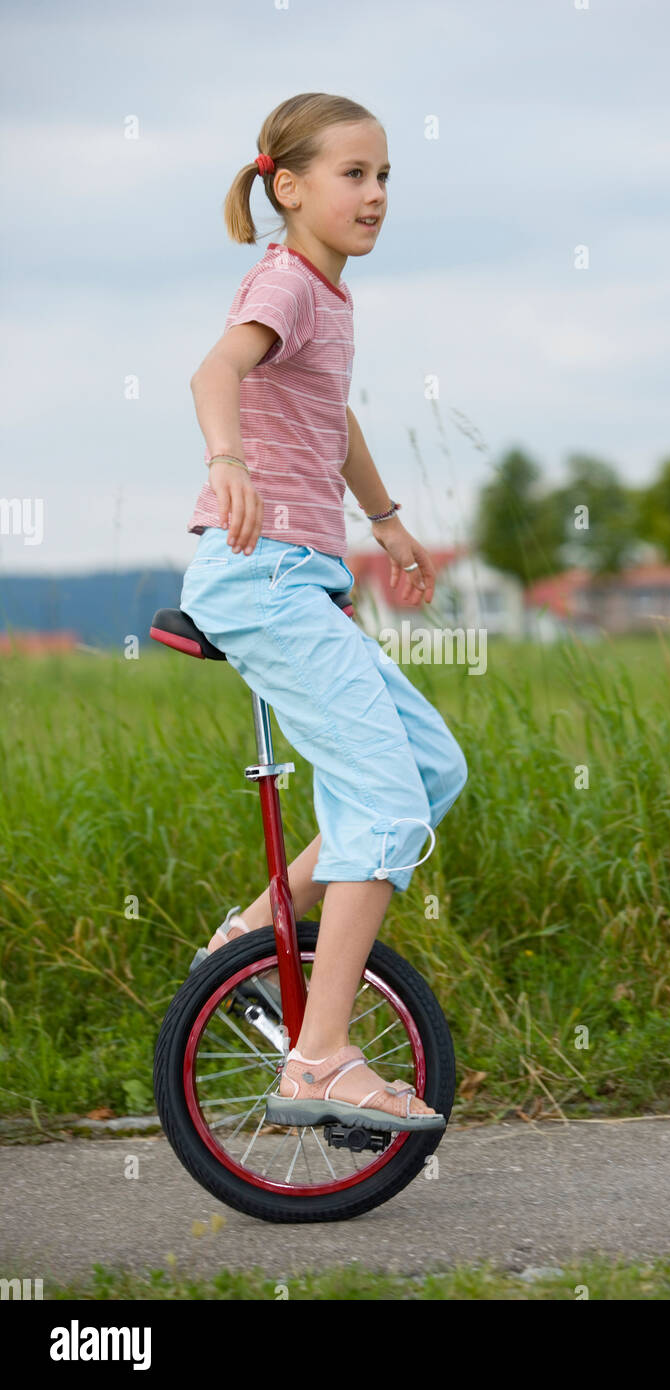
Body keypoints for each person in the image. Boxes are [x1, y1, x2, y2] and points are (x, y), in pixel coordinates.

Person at [179, 93, 468, 1129]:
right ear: (288, 187)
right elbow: (218, 369)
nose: (377, 194)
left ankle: (247, 941)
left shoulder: (329, 299)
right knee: (384, 800)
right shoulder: (281, 281)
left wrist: (385, 518)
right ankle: (319, 1057)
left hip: (299, 577)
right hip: (256, 577)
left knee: (432, 769)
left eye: (386, 175)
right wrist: (227, 461)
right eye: (354, 175)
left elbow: (327, 414)